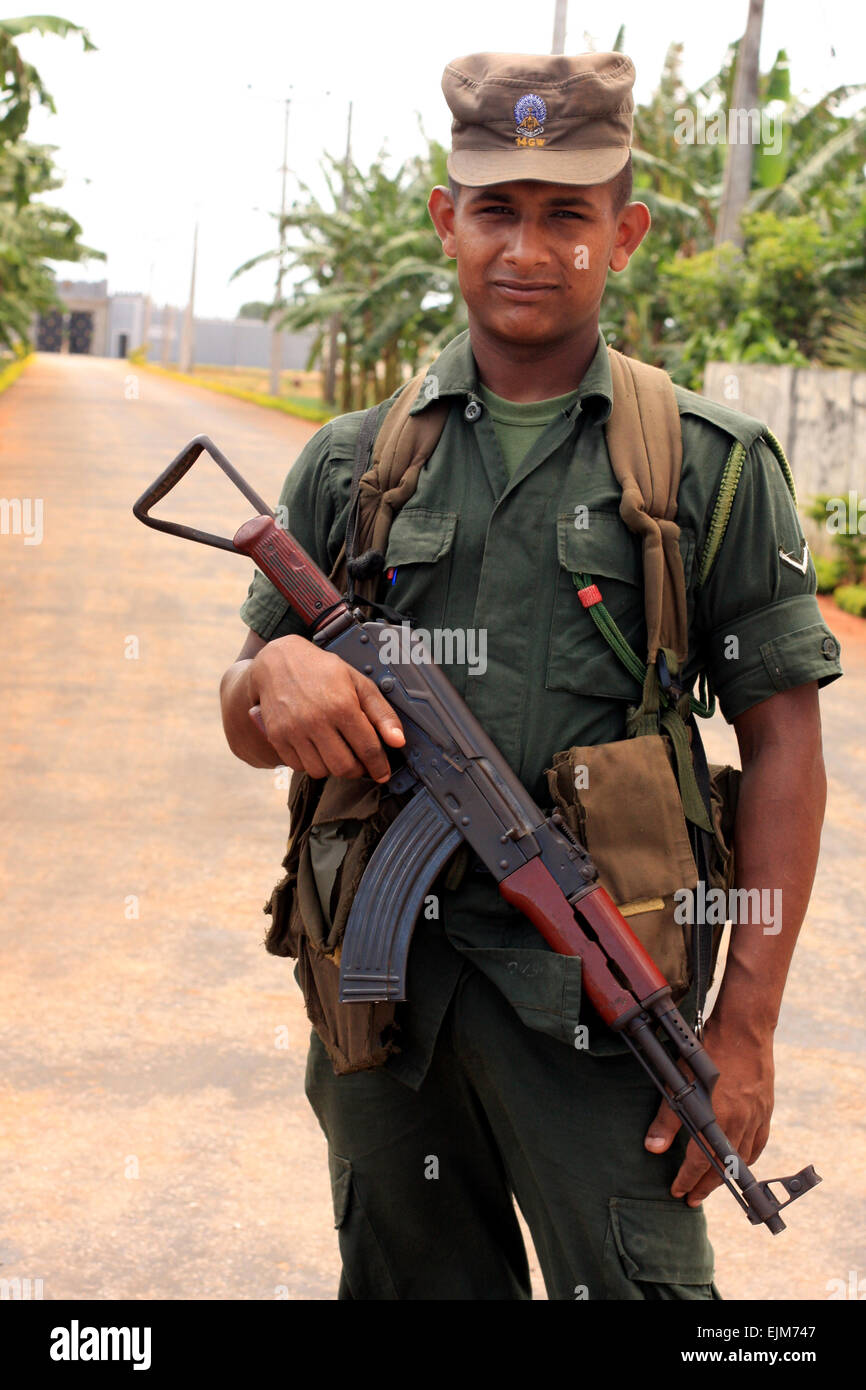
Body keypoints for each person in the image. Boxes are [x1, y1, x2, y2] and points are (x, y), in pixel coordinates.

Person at [219, 51, 841, 1300]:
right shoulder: (351, 464)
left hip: (601, 1002)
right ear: (445, 221)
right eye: (496, 209)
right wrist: (271, 673)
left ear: (626, 233)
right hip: (382, 1010)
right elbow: (243, 709)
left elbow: (783, 748)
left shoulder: (705, 465)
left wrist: (746, 1028)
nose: (527, 247)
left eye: (567, 214)